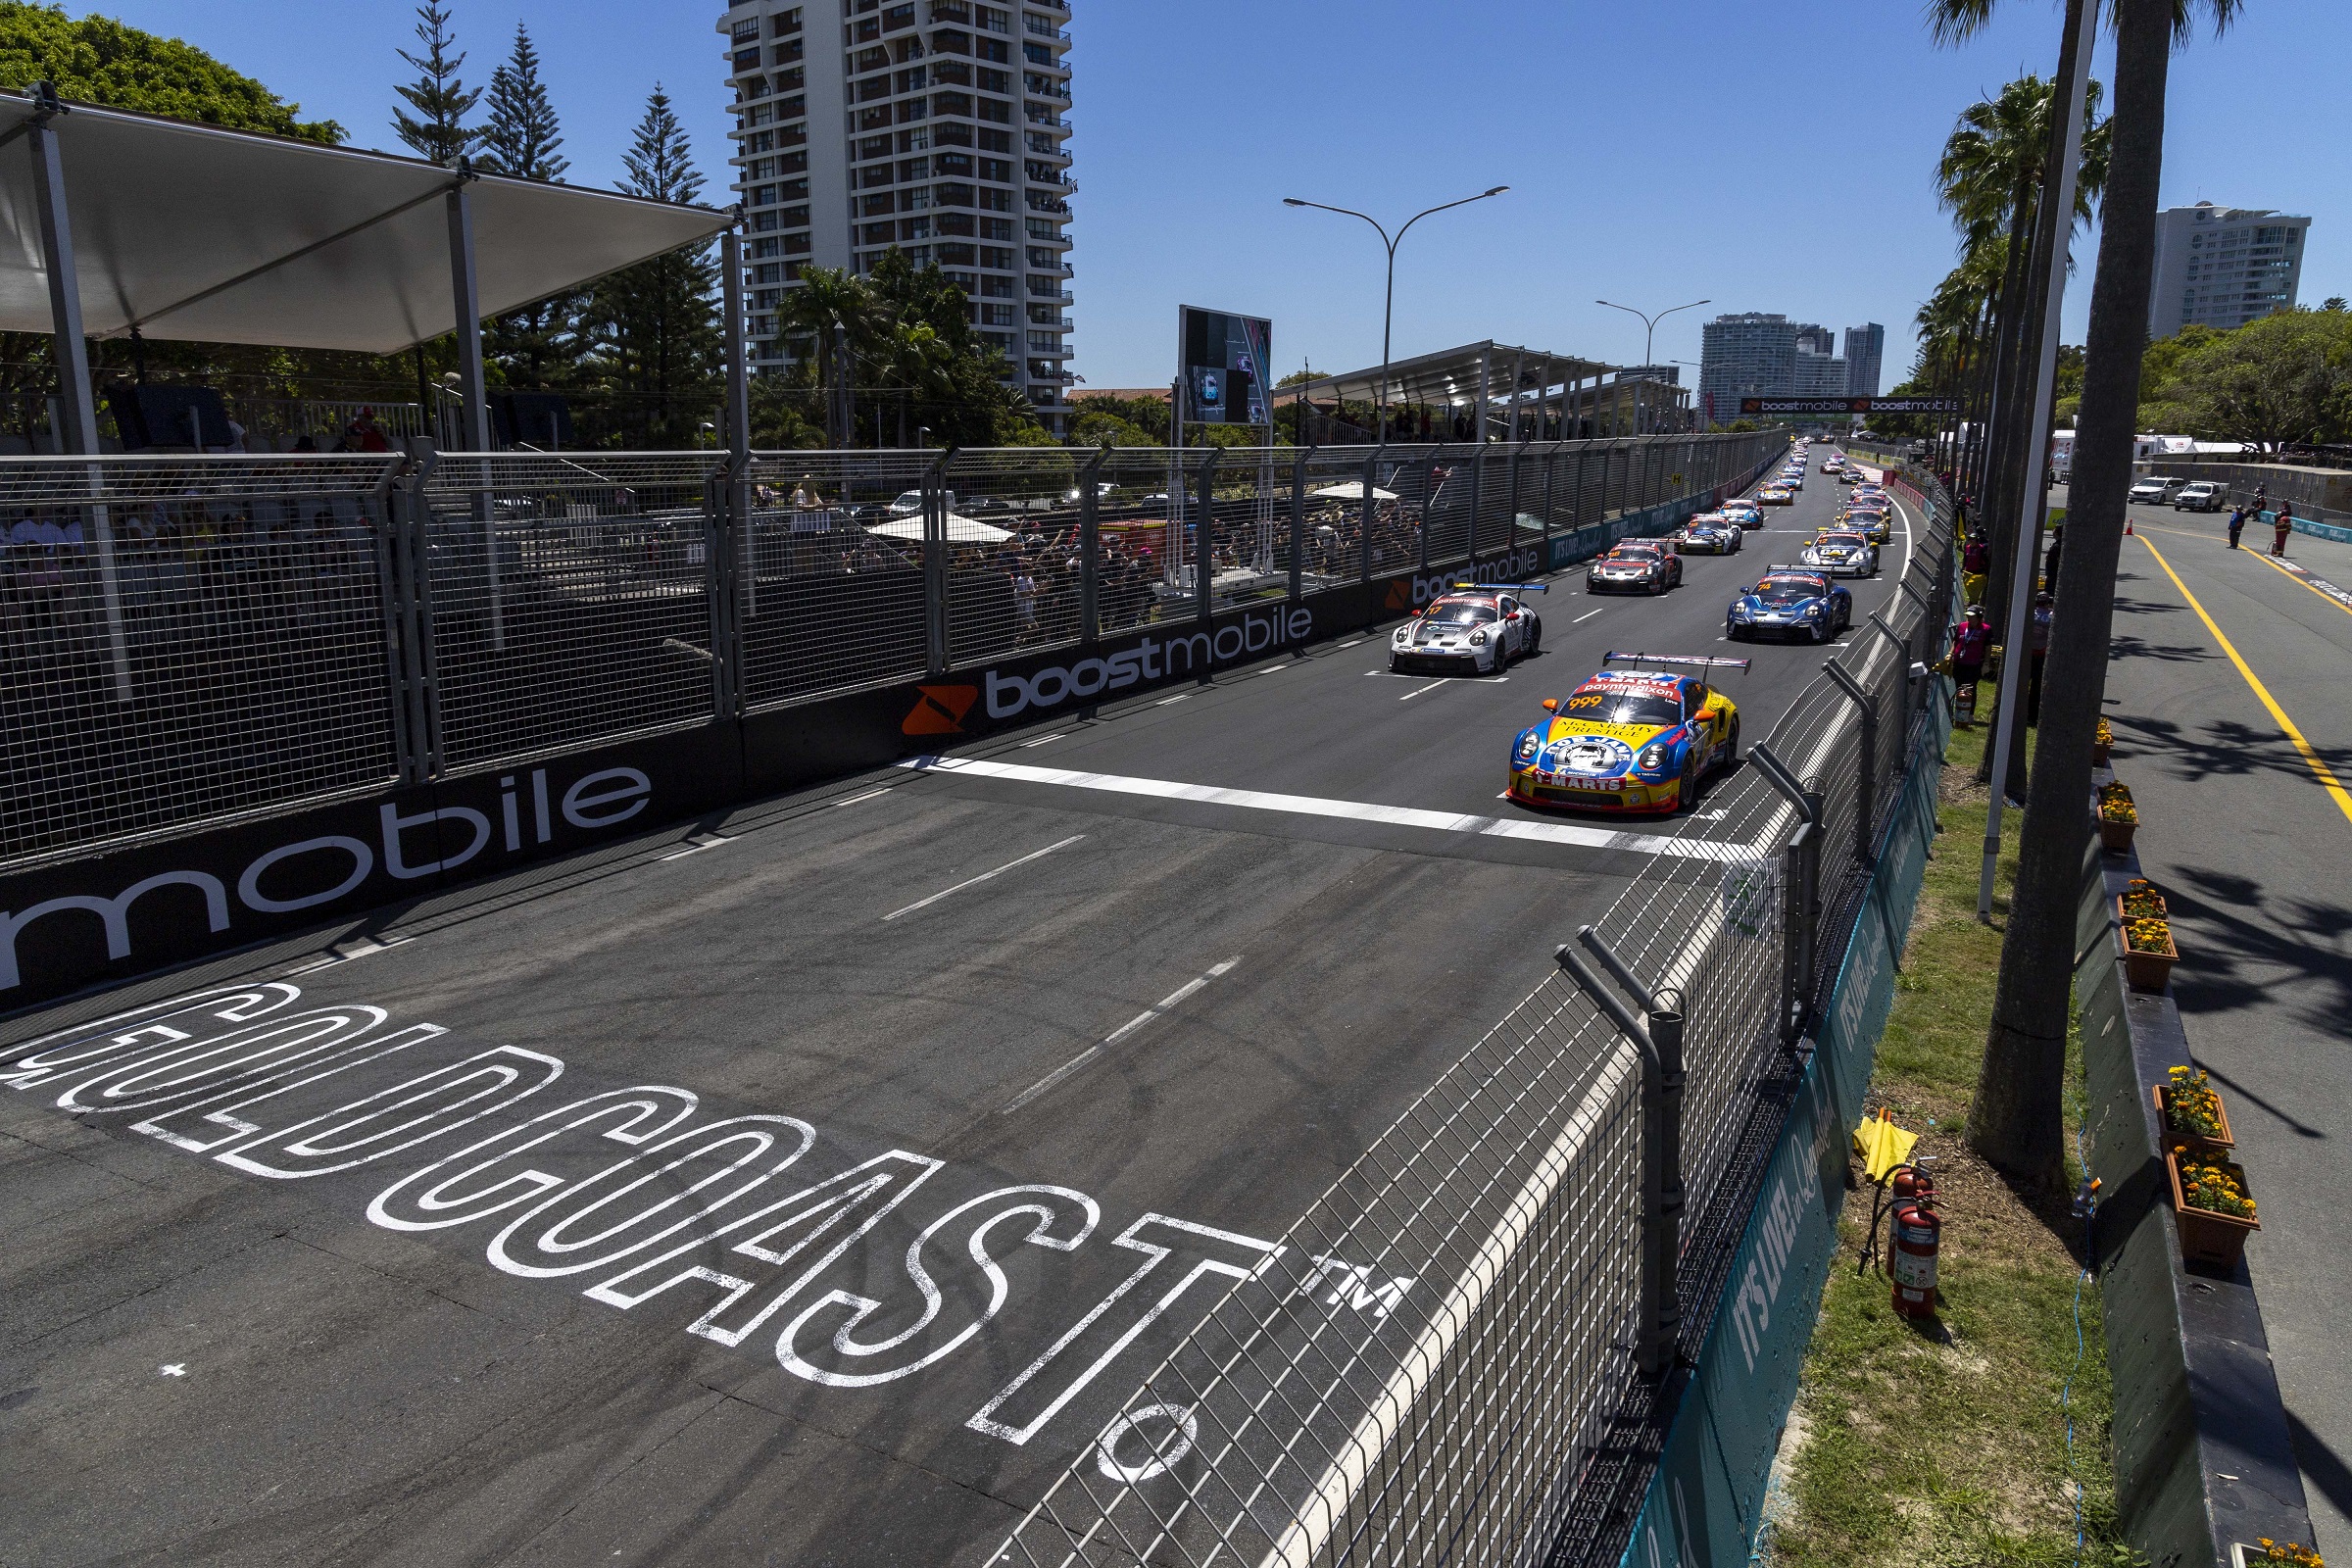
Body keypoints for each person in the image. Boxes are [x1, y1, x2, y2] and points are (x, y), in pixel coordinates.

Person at [1950, 604, 1992, 727]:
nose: (1969, 619)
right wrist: (1950, 654)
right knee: (1959, 687)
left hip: (1974, 664)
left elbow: (1988, 647)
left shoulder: (1986, 630)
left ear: (1979, 617)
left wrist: (1986, 663)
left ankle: (1969, 715)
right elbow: (1956, 640)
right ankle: (1959, 712)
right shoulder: (1962, 627)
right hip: (1959, 663)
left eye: (1972, 617)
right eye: (1968, 616)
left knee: (1970, 689)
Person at [2026, 592, 2054, 726]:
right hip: (2042, 653)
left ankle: (2021, 712)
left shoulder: (2030, 613)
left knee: (2022, 684)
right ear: (2048, 602)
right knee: (2037, 687)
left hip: (2028, 652)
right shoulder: (2052, 615)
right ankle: (2032, 716)